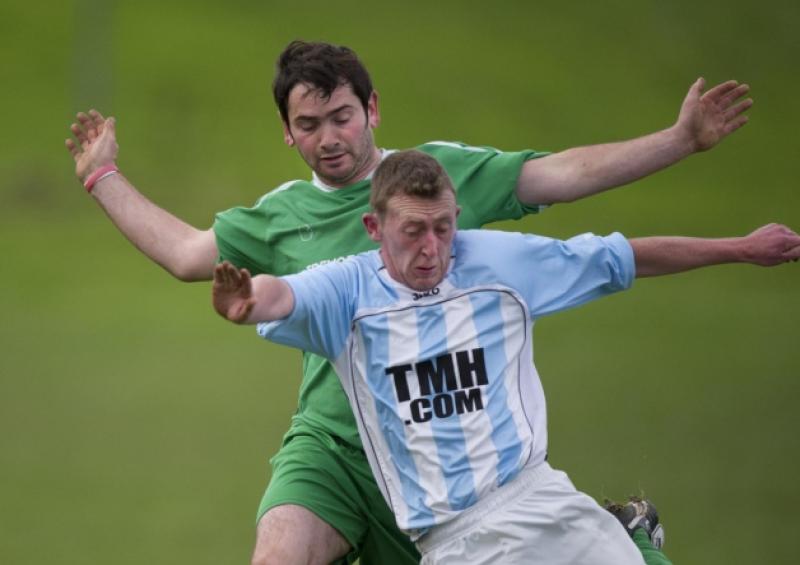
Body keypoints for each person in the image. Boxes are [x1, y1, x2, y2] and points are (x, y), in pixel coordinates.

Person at [66, 40, 753, 565]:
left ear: (372, 110)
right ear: (287, 132)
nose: (329, 138)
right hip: (335, 449)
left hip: (439, 456)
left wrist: (678, 141)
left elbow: (562, 175)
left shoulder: (434, 177)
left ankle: (613, 537)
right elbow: (189, 255)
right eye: (309, 124)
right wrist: (102, 175)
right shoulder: (282, 214)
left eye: (341, 117)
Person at [211, 150, 800, 564]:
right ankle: (632, 534)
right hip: (452, 541)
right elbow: (284, 294)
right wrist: (249, 301)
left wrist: (740, 248)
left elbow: (620, 258)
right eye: (413, 231)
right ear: (373, 226)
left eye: (444, 228)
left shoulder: (497, 264)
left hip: (537, 499)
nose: (432, 248)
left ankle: (631, 540)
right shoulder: (347, 290)